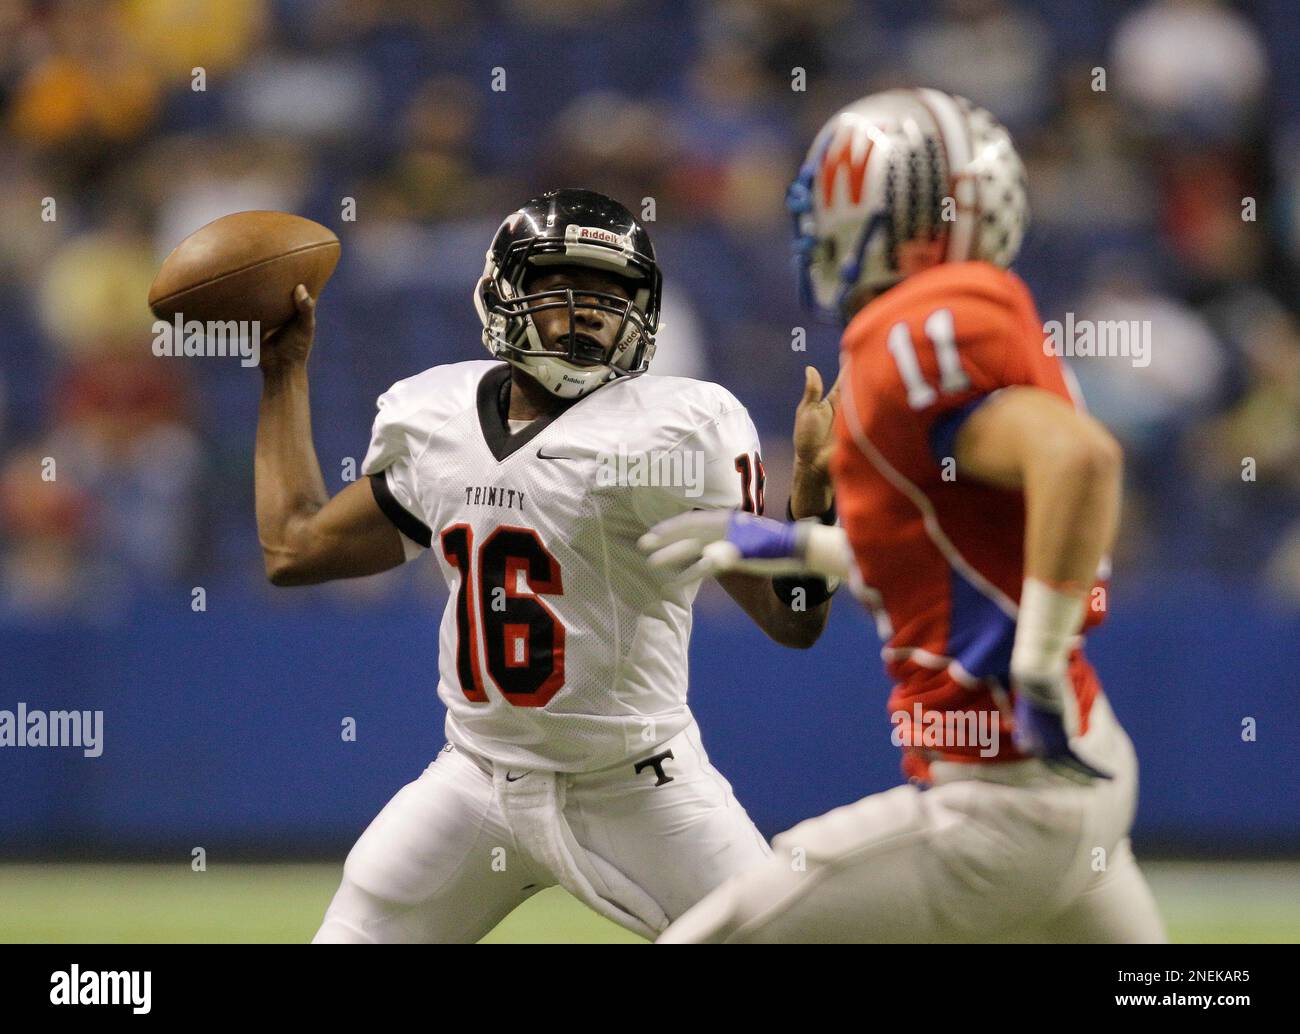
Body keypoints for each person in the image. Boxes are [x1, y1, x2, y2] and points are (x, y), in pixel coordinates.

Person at [641, 90, 1167, 943]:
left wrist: (1032, 659)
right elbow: (949, 559)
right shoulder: (938, 333)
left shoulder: (914, 332)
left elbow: (1081, 458)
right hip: (1081, 763)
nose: (815, 230)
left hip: (1005, 797)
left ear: (897, 215)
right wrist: (790, 535)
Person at [253, 188, 839, 942]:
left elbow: (793, 620)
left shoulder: (672, 433)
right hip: (474, 780)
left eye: (612, 291)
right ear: (504, 290)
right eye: (564, 283)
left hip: (640, 788)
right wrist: (283, 374)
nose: (591, 308)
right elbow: (293, 548)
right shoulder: (436, 417)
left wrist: (812, 507)